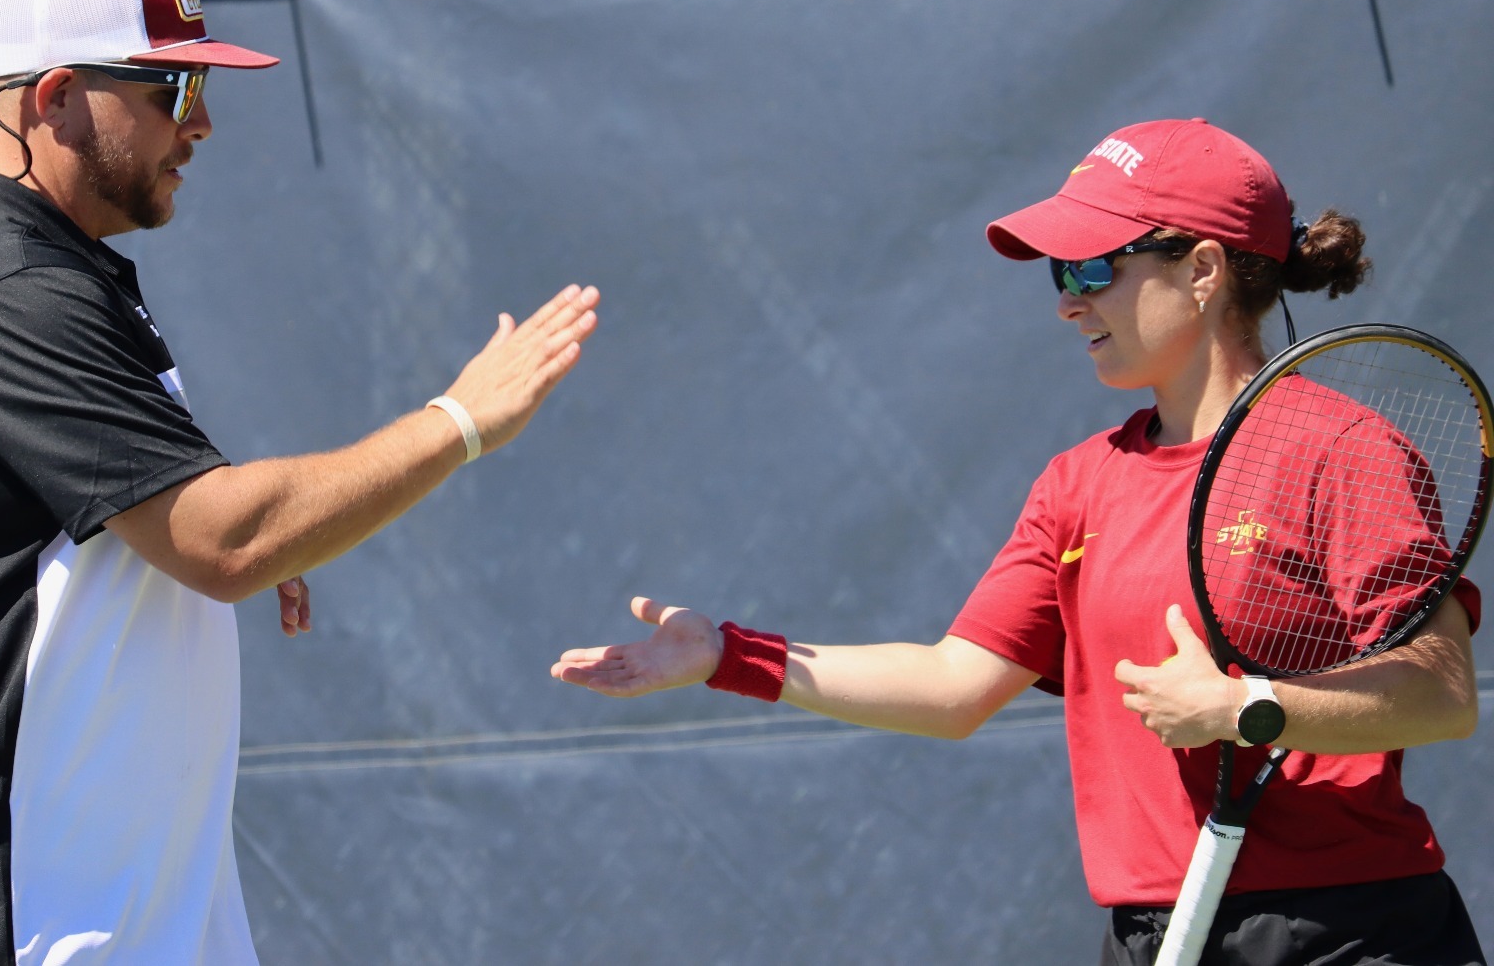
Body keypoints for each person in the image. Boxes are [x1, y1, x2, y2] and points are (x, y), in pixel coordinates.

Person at [0, 0, 601, 966]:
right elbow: (224, 542)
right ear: (52, 99)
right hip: (1, 936)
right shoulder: (0, 285)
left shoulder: (44, 265)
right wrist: (459, 421)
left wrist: (222, 546)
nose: (205, 123)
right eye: (171, 90)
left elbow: (175, 530)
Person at [550, 118, 1481, 965]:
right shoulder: (1078, 483)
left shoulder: (1341, 447)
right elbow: (955, 687)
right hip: (1156, 935)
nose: (1067, 303)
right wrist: (727, 654)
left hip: (1353, 935)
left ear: (1201, 269)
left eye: (1091, 269)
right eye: (1057, 274)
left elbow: (1439, 693)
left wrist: (1249, 705)